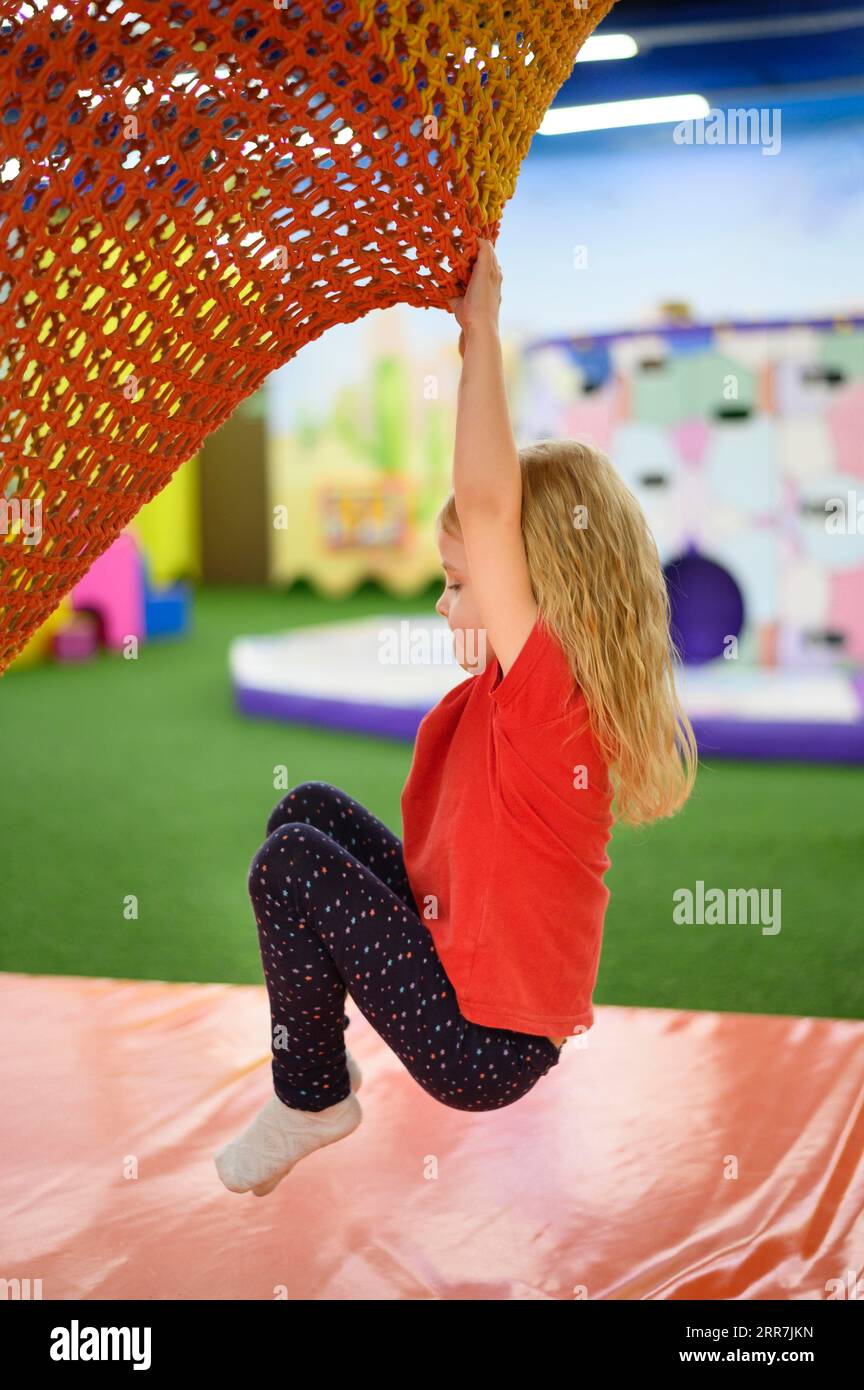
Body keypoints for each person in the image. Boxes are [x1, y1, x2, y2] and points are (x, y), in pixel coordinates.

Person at [214, 240, 697, 1197]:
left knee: (292, 864)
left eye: (460, 581)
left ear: (539, 587)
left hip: (484, 1041)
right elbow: (484, 517)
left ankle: (309, 1095)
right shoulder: (521, 692)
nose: (444, 603)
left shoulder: (550, 696)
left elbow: (487, 500)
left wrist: (478, 333)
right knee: (303, 813)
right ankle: (322, 1071)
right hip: (453, 964)